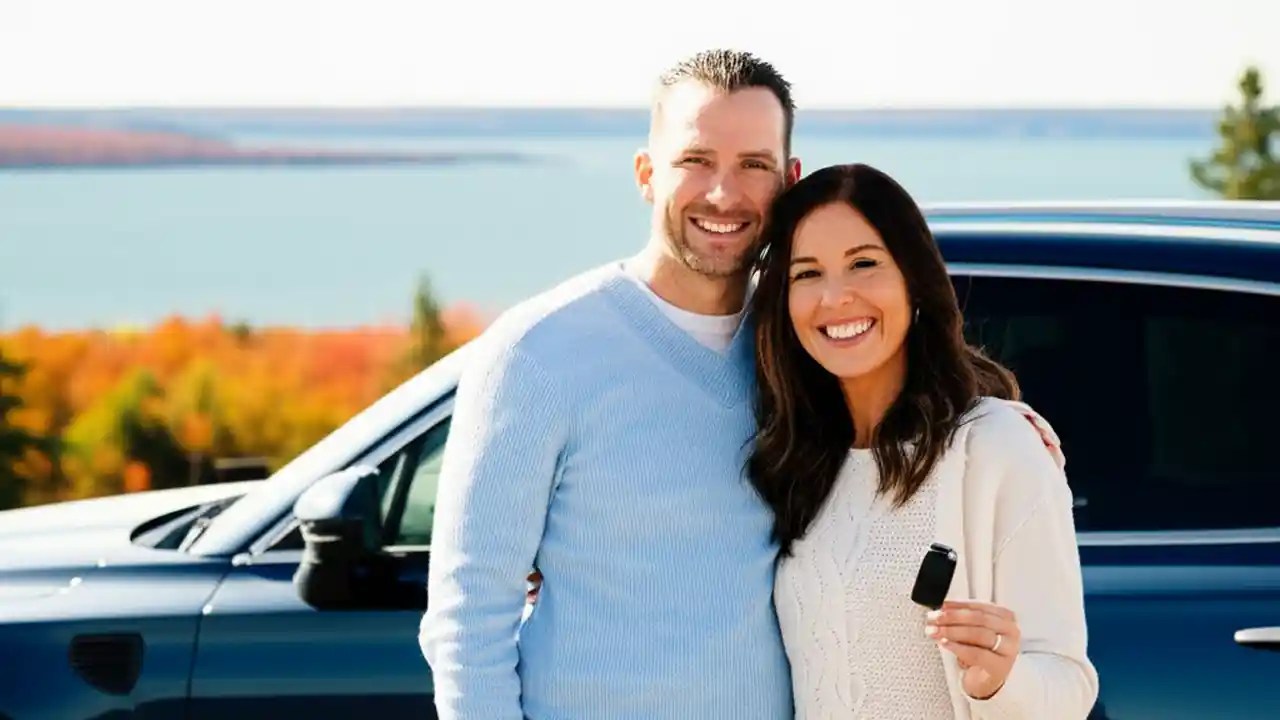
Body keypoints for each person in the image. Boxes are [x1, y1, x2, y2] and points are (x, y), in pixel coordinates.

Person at [420, 49, 1062, 720]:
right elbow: (467, 625)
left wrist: (999, 417)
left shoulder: (800, 346)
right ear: (646, 173)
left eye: (752, 165)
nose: (724, 194)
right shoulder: (539, 351)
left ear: (788, 181)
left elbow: (900, 397)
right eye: (696, 160)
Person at [749, 162, 1098, 719]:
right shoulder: (794, 459)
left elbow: (1069, 686)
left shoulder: (995, 448)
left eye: (864, 264)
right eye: (806, 274)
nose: (836, 297)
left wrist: (998, 681)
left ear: (914, 280)